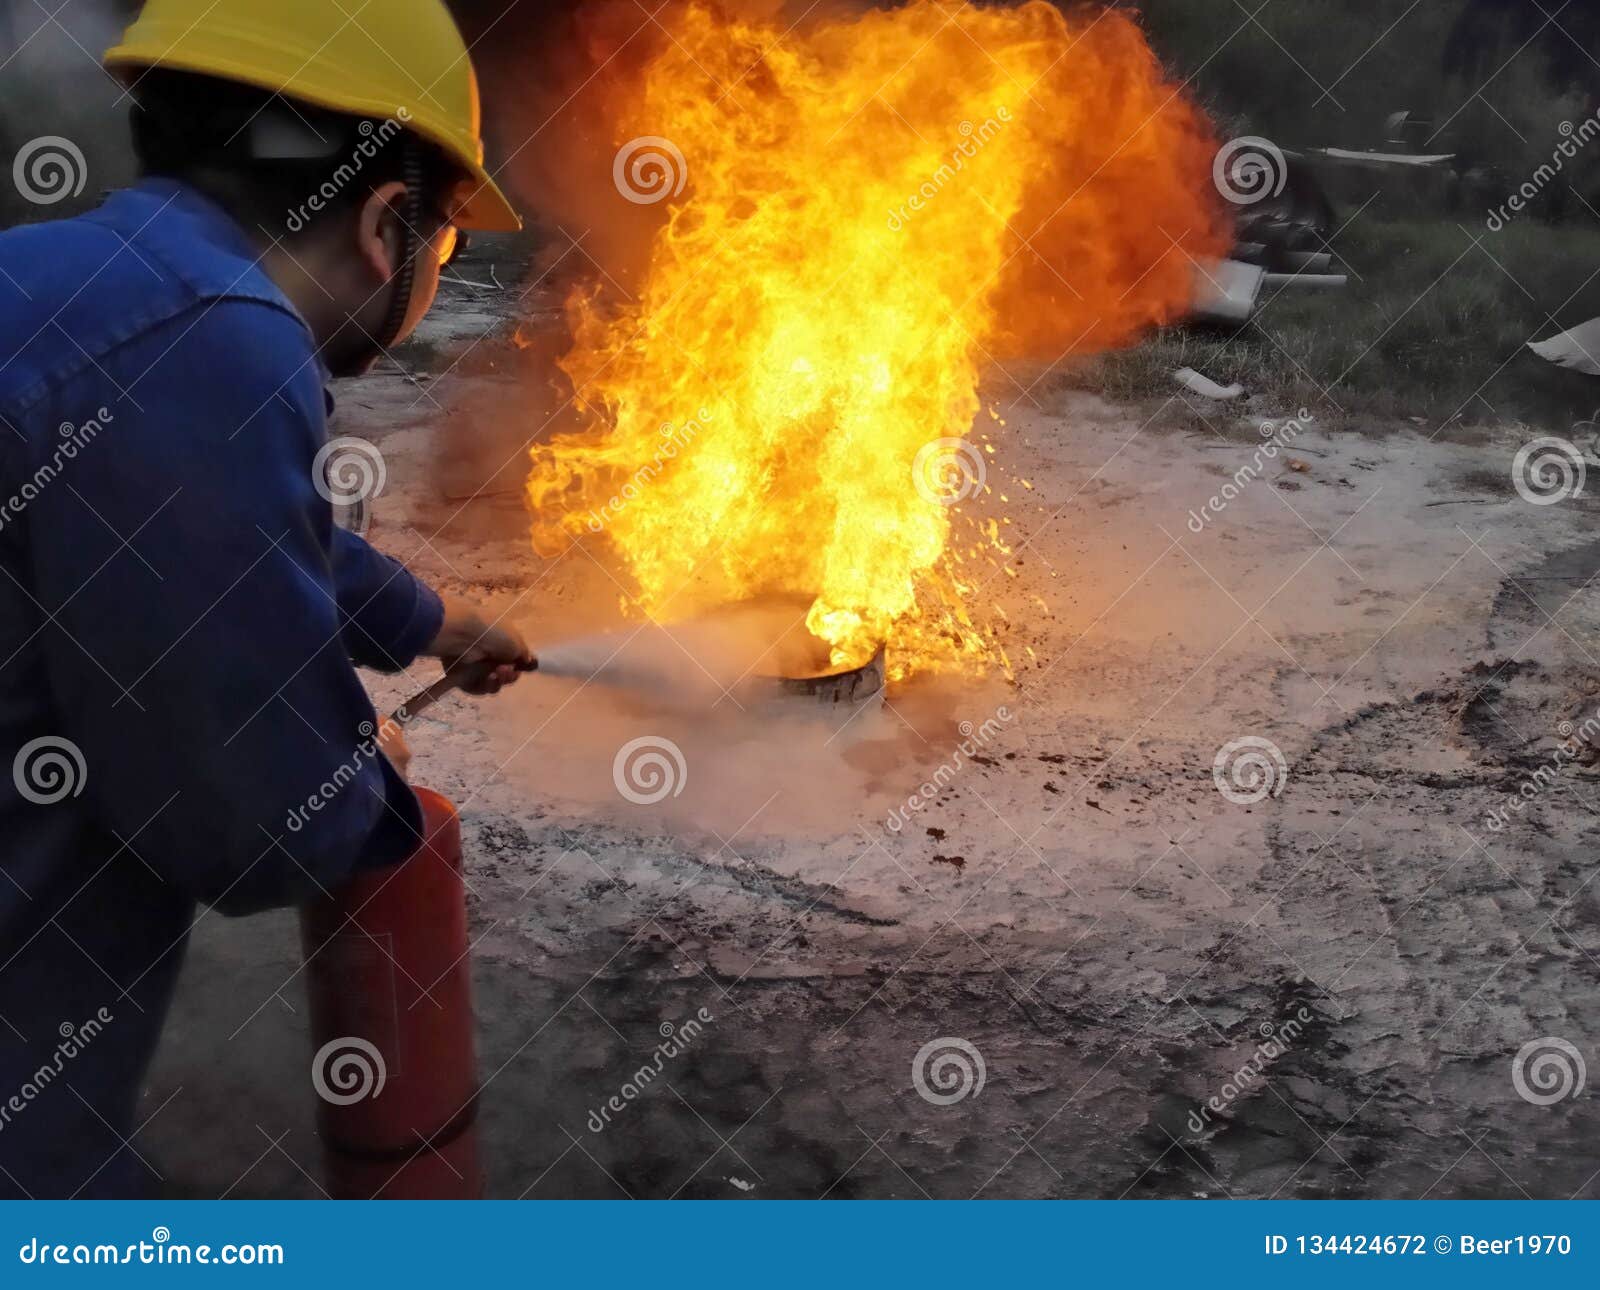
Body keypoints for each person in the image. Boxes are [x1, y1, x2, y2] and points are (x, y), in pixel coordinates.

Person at [0, 0, 529, 1196]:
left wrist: (429, 622)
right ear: (390, 220)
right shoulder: (215, 343)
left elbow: (201, 530)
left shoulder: (83, 285)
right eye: (445, 249)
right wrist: (358, 766)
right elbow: (247, 821)